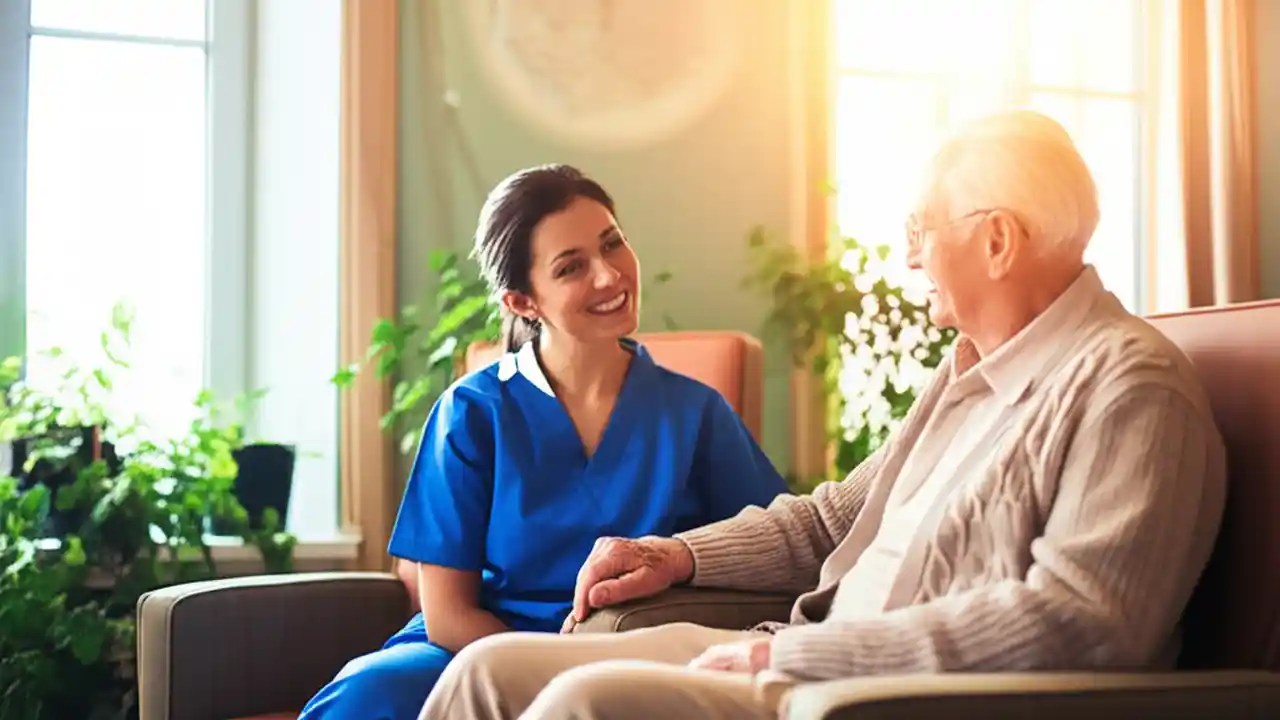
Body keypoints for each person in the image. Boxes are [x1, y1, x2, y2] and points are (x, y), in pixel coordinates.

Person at [420, 110, 1228, 720]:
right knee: (479, 675)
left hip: (874, 690)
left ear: (997, 242)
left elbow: (1083, 624)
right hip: (804, 648)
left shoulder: (1130, 388)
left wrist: (801, 654)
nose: (910, 257)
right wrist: (675, 557)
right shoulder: (968, 375)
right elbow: (836, 518)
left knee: (581, 705)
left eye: (921, 231)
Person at [298, 164, 788, 719]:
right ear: (522, 302)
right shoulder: (471, 413)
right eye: (571, 266)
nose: (608, 276)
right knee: (370, 692)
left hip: (628, 652)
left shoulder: (696, 414)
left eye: (612, 244)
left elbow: (771, 551)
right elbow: (448, 616)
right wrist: (538, 670)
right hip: (473, 645)